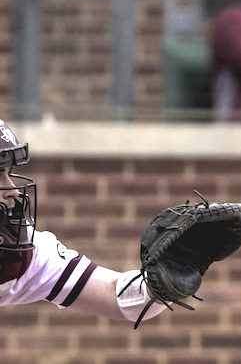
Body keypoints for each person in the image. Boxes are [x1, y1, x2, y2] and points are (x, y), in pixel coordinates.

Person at [0, 119, 168, 323]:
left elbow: (119, 297)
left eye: (8, 174)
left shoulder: (22, 253)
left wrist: (162, 282)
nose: (13, 191)